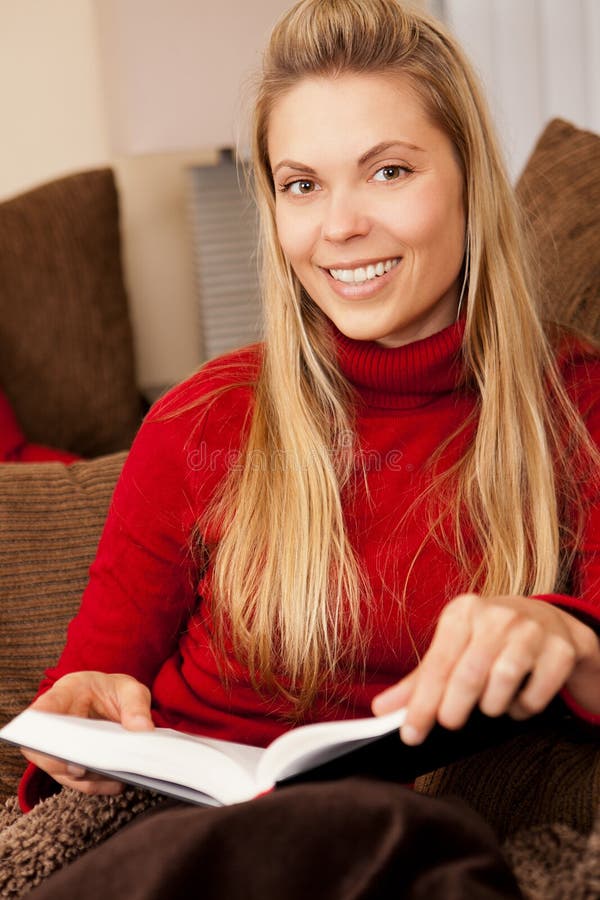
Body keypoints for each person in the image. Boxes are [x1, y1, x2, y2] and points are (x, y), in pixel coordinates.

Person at [19, 0, 600, 896]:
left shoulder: (577, 403)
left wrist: (567, 632)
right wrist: (76, 735)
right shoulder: (198, 421)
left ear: (469, 178)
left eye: (389, 171)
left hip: (406, 843)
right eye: (302, 185)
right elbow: (86, 691)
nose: (338, 228)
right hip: (166, 835)